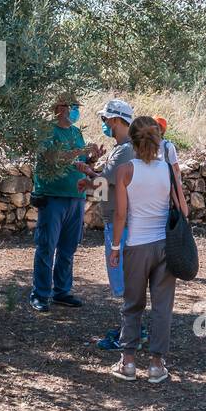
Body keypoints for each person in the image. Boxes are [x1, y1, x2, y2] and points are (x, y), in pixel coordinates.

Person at [106, 116, 178, 383]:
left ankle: (128, 362)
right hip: (165, 246)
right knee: (162, 307)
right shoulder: (167, 169)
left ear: (133, 141)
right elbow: (182, 207)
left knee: (132, 304)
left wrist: (115, 247)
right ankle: (157, 365)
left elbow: (120, 215)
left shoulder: (126, 170)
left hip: (136, 245)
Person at [30, 90, 104, 313]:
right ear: (60, 107)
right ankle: (40, 294)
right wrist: (81, 151)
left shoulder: (75, 132)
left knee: (68, 248)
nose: (76, 111)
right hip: (52, 196)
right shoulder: (47, 131)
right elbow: (53, 158)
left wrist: (92, 158)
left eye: (77, 107)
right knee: (46, 246)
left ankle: (61, 291)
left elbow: (79, 161)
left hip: (76, 197)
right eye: (72, 106)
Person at [93, 99, 137, 350]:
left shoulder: (124, 151)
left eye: (107, 120)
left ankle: (130, 334)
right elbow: (103, 186)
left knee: (125, 281)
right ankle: (130, 329)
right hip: (114, 221)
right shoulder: (119, 149)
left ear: (118, 121)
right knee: (125, 281)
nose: (105, 124)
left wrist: (89, 177)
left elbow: (104, 184)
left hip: (120, 224)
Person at [154, 116, 189, 215]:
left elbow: (176, 169)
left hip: (166, 190)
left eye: (155, 127)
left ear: (161, 130)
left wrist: (176, 188)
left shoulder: (168, 147)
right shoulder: (148, 146)